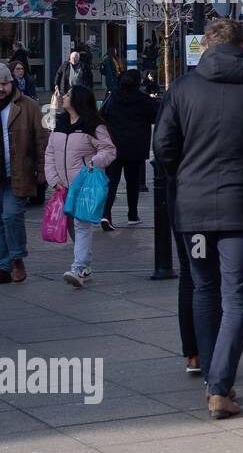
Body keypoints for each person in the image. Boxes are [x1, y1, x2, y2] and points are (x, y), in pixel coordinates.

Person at [152, 19, 243, 420]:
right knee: (236, 297)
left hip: (193, 209)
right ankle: (219, 385)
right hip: (242, 208)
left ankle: (216, 377)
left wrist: (183, 176)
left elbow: (163, 146)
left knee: (203, 289)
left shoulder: (182, 88)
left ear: (206, 48)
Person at [44, 85, 116, 288]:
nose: (63, 96)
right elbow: (50, 153)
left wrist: (96, 162)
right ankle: (85, 267)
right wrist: (53, 179)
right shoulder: (59, 123)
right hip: (63, 187)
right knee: (72, 227)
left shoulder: (93, 125)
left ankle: (79, 267)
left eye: (67, 94)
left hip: (84, 185)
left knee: (81, 225)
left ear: (77, 101)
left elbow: (109, 150)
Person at [0, 63, 48, 285]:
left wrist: (43, 172)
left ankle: (17, 259)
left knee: (11, 216)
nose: (0, 88)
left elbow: (41, 141)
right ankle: (3, 266)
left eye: (4, 83)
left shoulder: (28, 106)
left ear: (11, 82)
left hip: (17, 174)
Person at [99, 70, 157, 230]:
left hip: (114, 146)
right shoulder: (143, 100)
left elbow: (102, 114)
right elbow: (154, 116)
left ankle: (106, 214)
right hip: (135, 147)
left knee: (111, 182)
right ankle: (132, 214)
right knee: (133, 182)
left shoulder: (113, 97)